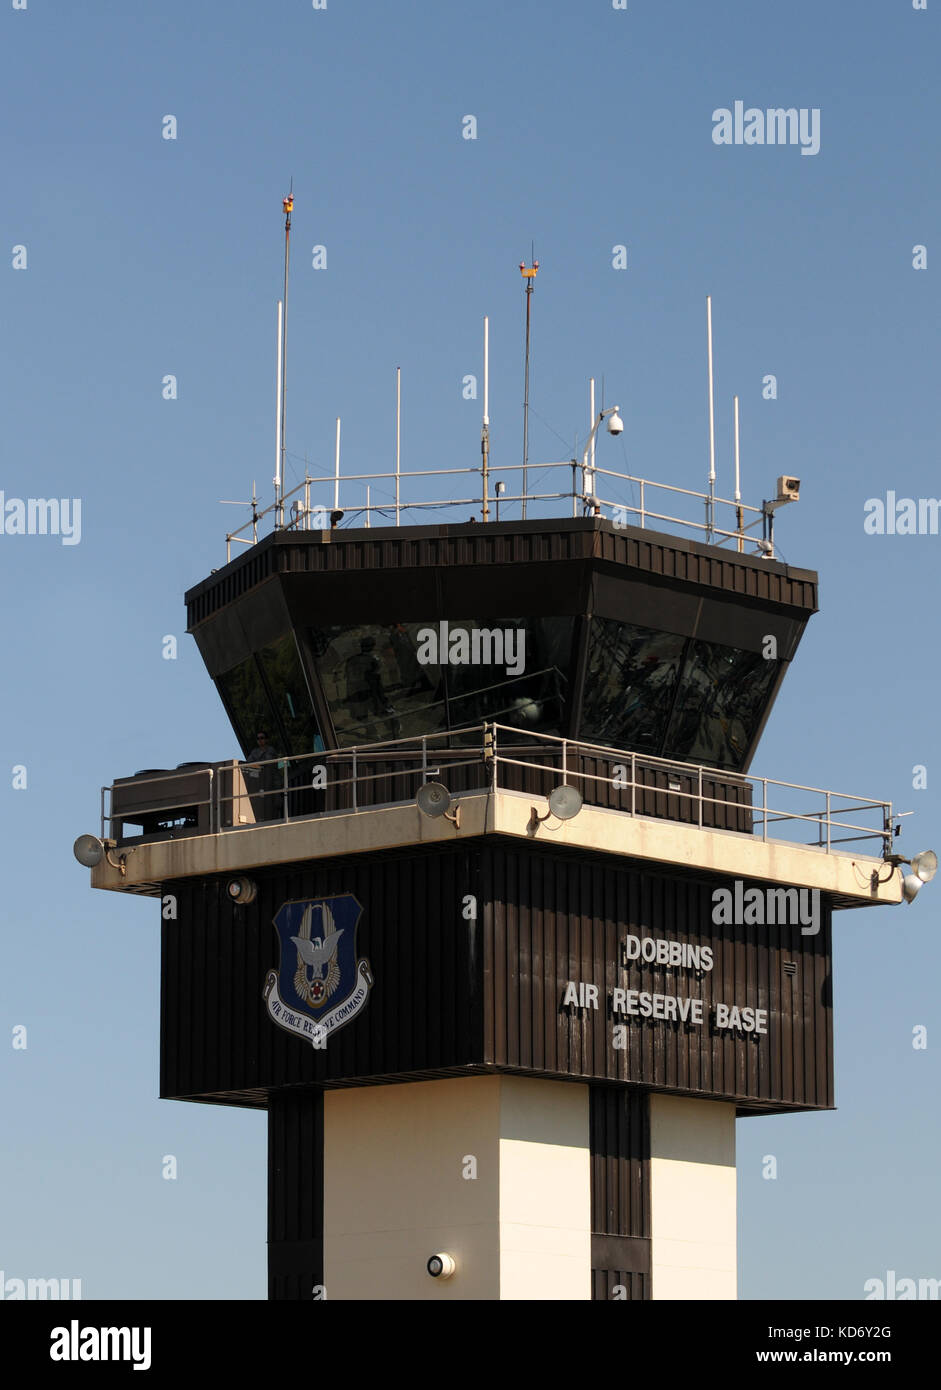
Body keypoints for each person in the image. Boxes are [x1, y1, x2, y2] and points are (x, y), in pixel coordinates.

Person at [244, 730, 281, 820]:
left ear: (266, 739)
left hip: (272, 782)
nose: (260, 740)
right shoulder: (254, 751)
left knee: (275, 804)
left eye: (262, 738)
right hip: (259, 784)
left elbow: (267, 762)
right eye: (258, 738)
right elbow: (248, 763)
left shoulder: (271, 750)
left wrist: (257, 762)